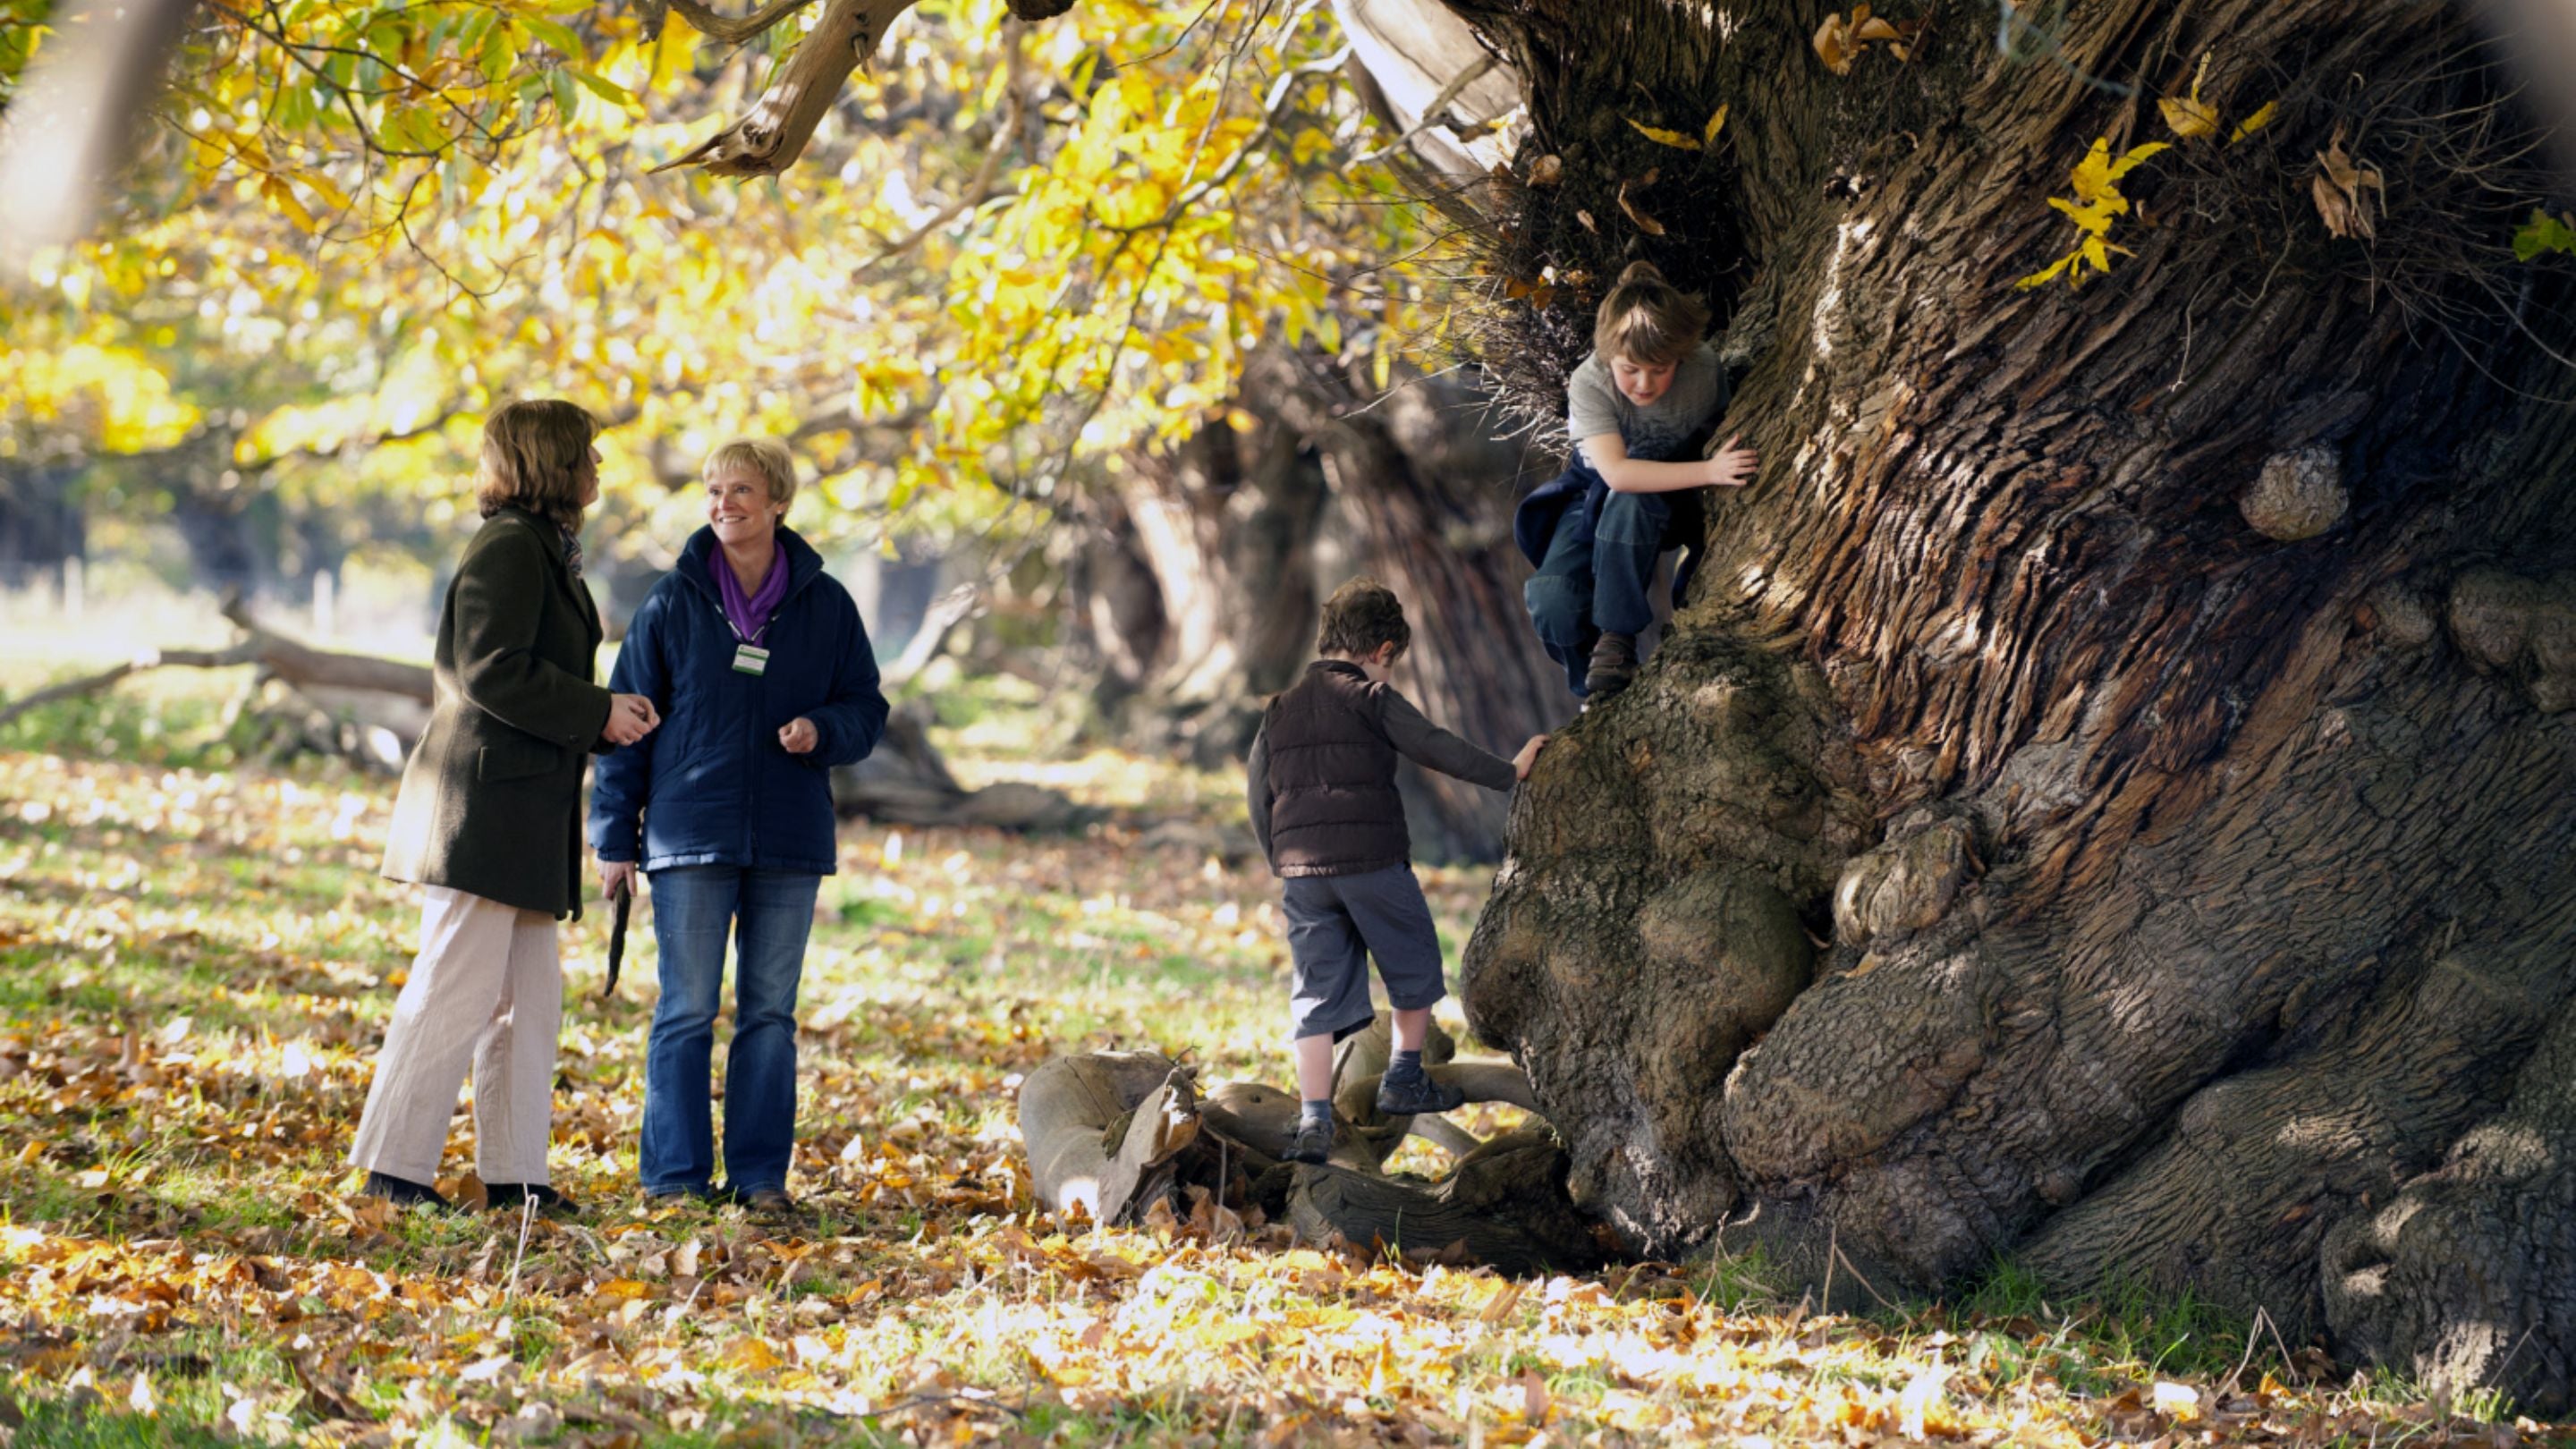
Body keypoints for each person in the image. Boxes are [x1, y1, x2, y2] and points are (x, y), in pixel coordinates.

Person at [355, 398, 662, 1214]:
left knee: (527, 1003)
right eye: (589, 453)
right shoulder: (509, 547)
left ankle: (518, 1176)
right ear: (552, 462)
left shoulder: (544, 548)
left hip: (523, 815)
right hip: (482, 810)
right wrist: (598, 711)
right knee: (454, 987)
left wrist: (598, 716)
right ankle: (393, 1167)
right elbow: (490, 669)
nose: (599, 466)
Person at [589, 437, 888, 1212]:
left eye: (742, 490)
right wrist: (614, 839)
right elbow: (625, 726)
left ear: (779, 501)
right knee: (685, 1010)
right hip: (688, 835)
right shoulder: (672, 599)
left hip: (789, 838)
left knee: (769, 1016)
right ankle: (674, 1180)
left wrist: (823, 729)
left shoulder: (826, 604)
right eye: (714, 491)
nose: (724, 504)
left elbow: (867, 706)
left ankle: (760, 1179)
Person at [1245, 579, 1547, 1165]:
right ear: (1383, 651)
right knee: (1412, 962)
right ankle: (1404, 1074)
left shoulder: (1277, 709)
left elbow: (1259, 794)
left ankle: (1313, 1120)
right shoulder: (1374, 699)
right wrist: (1508, 773)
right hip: (1372, 862)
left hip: (1304, 874)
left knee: (1314, 998)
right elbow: (1436, 745)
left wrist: (1281, 857)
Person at [1514, 260, 1760, 699]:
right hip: (1597, 489)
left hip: (1681, 491)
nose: (1644, 384)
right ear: (1609, 356)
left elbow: (1719, 428)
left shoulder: (1703, 370)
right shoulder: (1589, 382)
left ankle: (1648, 636)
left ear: (1681, 357)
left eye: (1660, 369)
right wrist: (1711, 471)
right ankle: (1599, 681)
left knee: (1658, 525)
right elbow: (1618, 474)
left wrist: (1707, 476)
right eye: (1630, 369)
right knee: (1553, 599)